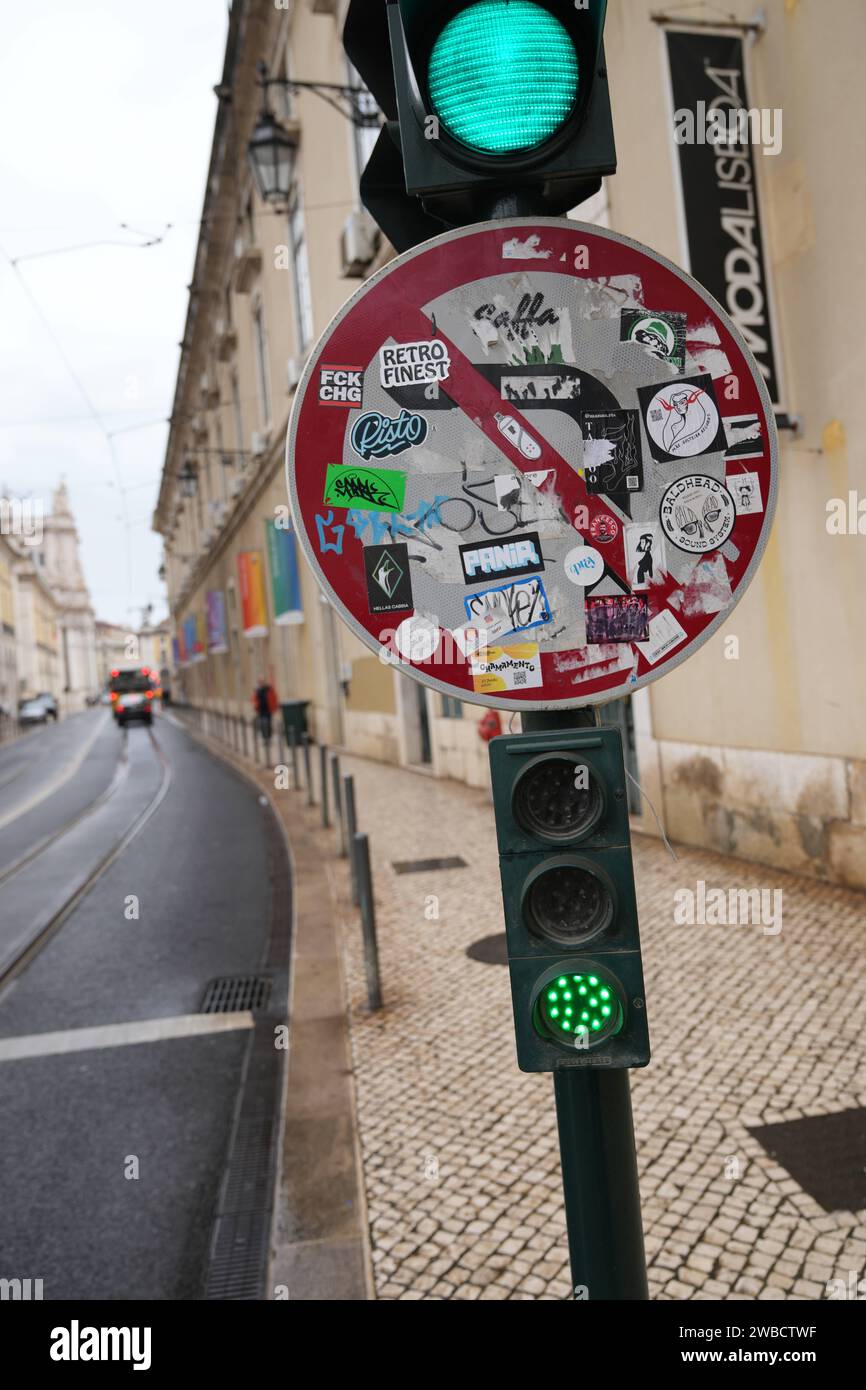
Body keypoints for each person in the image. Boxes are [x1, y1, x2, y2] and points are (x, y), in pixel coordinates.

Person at [253, 677, 278, 745]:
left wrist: (274, 707)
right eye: (260, 682)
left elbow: (274, 698)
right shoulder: (257, 690)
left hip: (268, 710)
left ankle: (269, 738)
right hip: (260, 711)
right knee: (262, 725)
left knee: (268, 724)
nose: (261, 683)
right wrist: (255, 706)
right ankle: (264, 738)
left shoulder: (269, 689)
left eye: (262, 681)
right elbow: (254, 699)